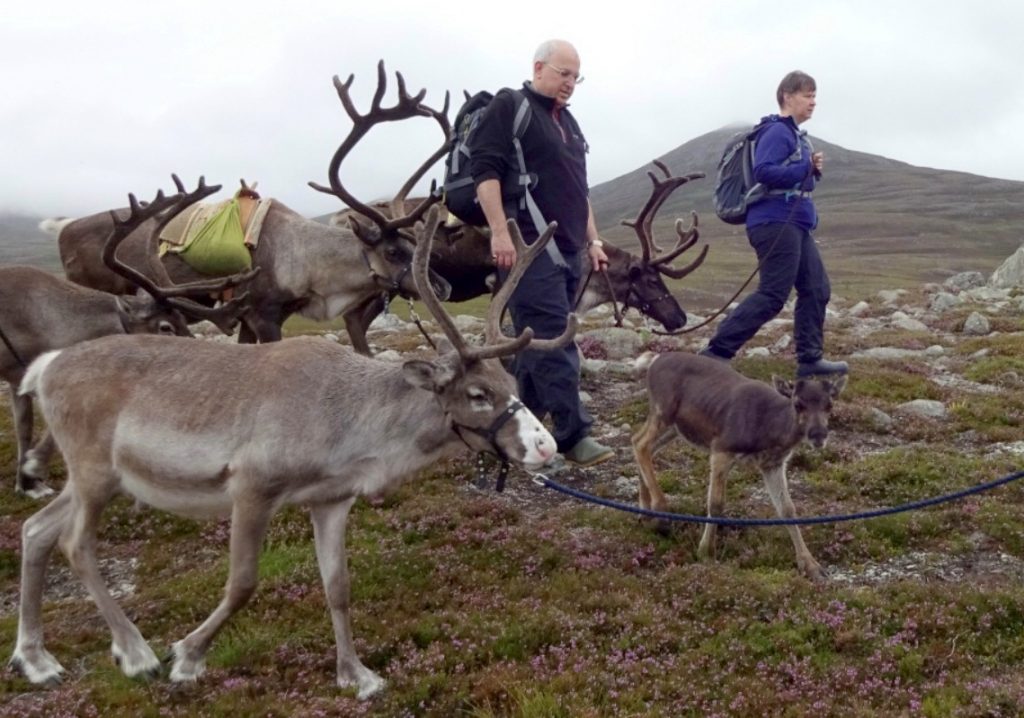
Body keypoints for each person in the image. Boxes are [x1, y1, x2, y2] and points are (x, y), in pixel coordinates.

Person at [469, 39, 614, 468]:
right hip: (527, 250)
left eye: (576, 76)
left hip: (569, 251)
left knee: (532, 346)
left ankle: (511, 431)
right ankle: (574, 436)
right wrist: (499, 232)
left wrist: (594, 241)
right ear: (539, 68)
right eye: (563, 73)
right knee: (555, 337)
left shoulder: (568, 123)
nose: (570, 83)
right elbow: (486, 171)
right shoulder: (510, 107)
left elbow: (578, 191)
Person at [701, 70, 848, 378]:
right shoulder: (777, 132)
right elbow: (765, 171)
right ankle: (716, 352)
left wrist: (809, 171)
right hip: (775, 222)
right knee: (773, 295)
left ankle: (810, 360)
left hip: (793, 223)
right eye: (807, 96)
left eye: (814, 96)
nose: (813, 102)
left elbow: (789, 176)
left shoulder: (792, 135)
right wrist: (803, 168)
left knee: (816, 288)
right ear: (787, 96)